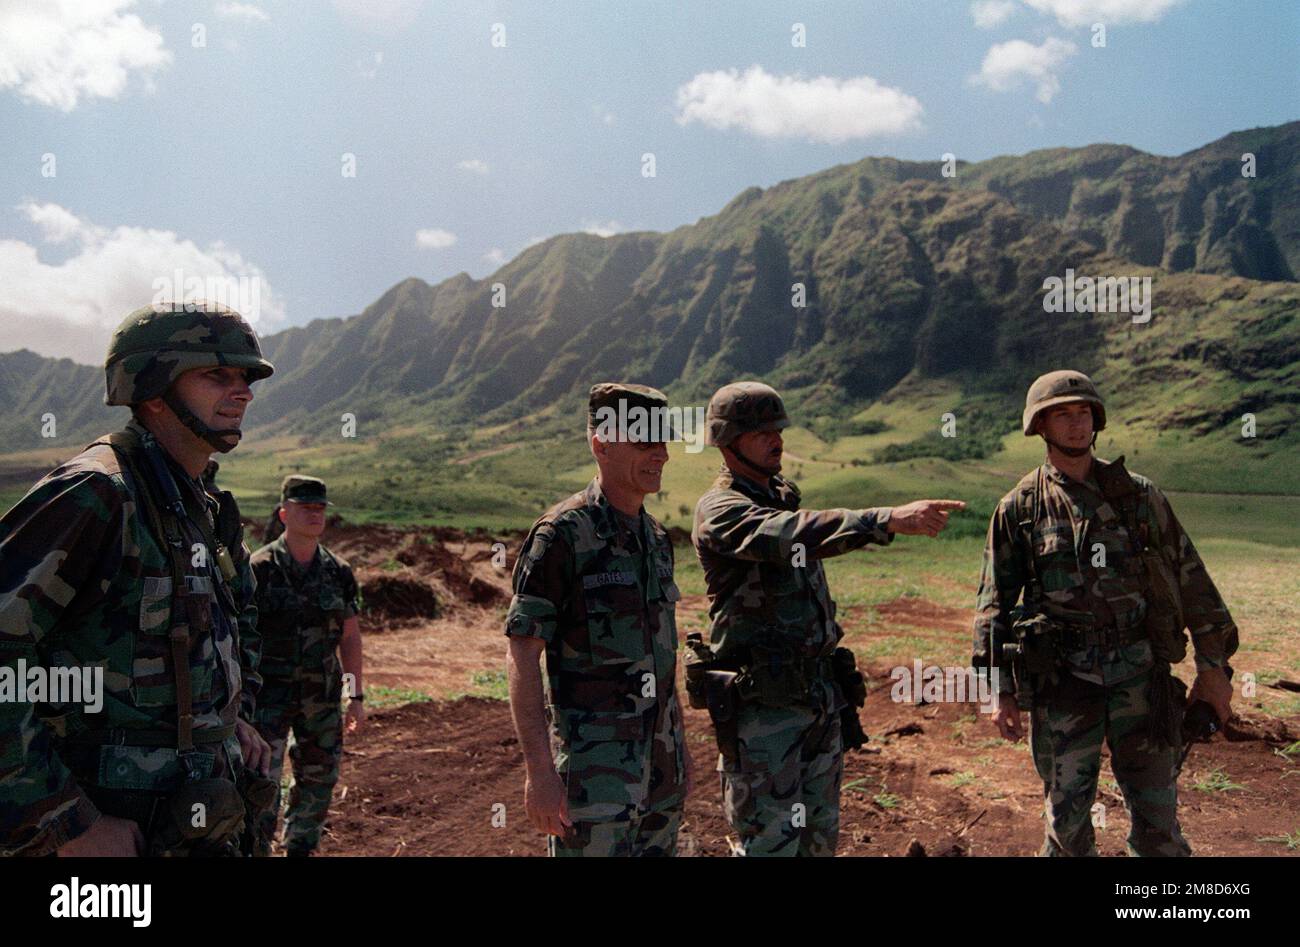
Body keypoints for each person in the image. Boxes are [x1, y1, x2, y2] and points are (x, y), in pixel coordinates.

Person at [0, 300, 274, 856]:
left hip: (194, 819)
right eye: (215, 375)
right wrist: (64, 821)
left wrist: (231, 719)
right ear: (151, 388)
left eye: (246, 376)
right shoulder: (97, 494)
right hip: (109, 834)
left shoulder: (204, 506)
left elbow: (231, 631)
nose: (242, 390)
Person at [690, 381, 964, 856]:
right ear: (728, 443)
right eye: (761, 434)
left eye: (778, 429)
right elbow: (790, 535)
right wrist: (884, 520)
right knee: (769, 844)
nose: (776, 440)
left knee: (820, 842)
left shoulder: (778, 496)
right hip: (765, 710)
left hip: (817, 697)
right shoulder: (721, 510)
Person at [973, 369, 1238, 856]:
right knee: (1066, 825)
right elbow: (993, 604)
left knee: (1159, 820)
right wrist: (999, 690)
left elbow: (1192, 580)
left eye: (1083, 413)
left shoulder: (1139, 497)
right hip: (1063, 685)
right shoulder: (1021, 508)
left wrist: (1213, 668)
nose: (1076, 425)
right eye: (1062, 415)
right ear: (1041, 427)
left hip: (1140, 677)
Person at [505, 383, 690, 856]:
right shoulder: (563, 536)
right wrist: (540, 774)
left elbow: (663, 657)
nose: (661, 454)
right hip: (594, 782)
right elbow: (523, 657)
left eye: (663, 440)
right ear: (600, 444)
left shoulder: (656, 537)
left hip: (661, 775)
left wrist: (680, 751)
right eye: (644, 440)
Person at [249, 475, 363, 856]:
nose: (315, 514)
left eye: (320, 508)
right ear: (284, 513)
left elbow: (350, 637)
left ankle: (299, 847)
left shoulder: (339, 572)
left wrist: (357, 695)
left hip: (322, 697)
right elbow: (239, 636)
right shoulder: (259, 568)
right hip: (267, 697)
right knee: (260, 780)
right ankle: (256, 848)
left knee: (318, 778)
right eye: (305, 507)